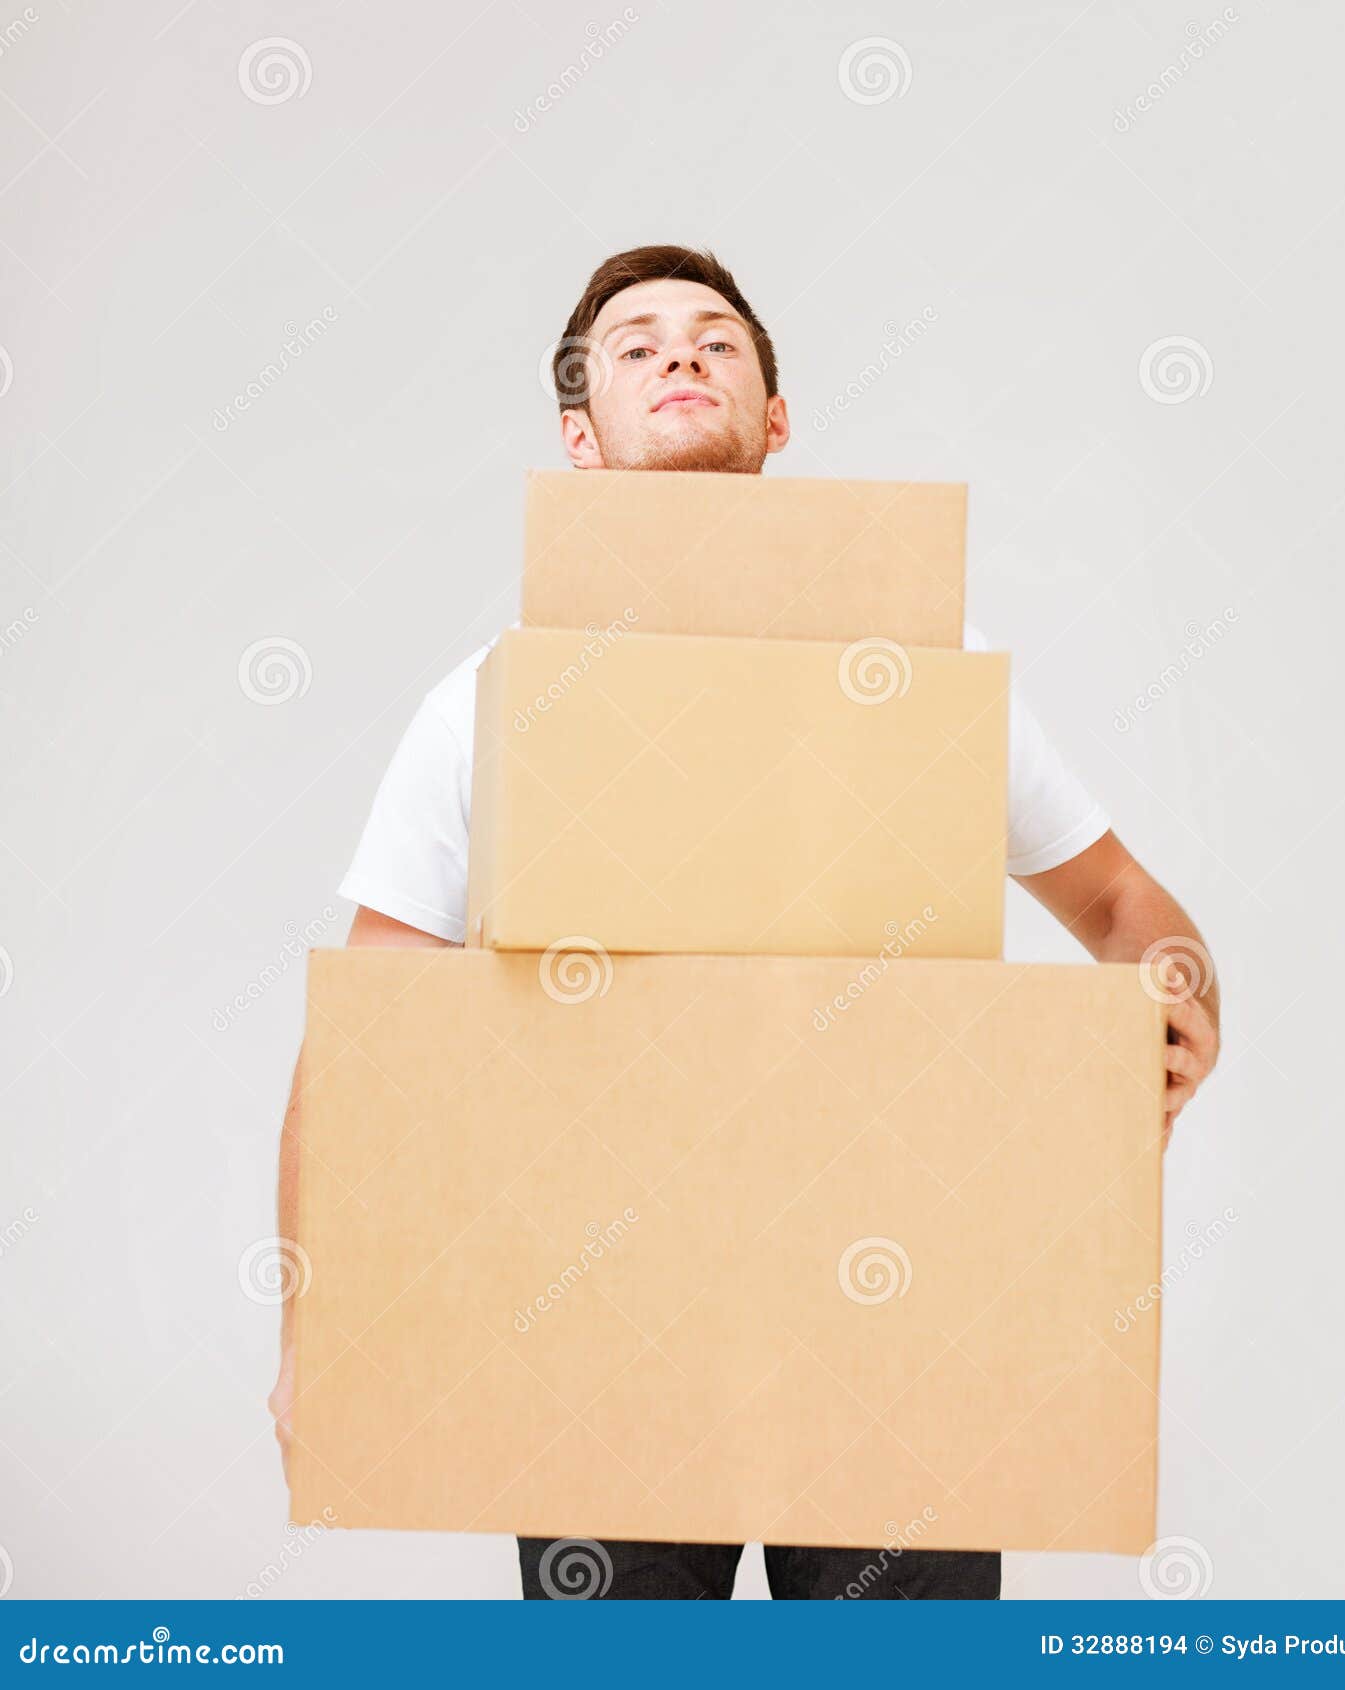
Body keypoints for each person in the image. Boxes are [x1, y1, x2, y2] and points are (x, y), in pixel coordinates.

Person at [268, 245, 1221, 1600]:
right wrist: (317, 1325)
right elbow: (367, 1044)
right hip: (604, 1332)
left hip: (902, 1324)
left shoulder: (922, 679)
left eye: (719, 342)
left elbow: (1130, 907)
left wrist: (1181, 998)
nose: (680, 356)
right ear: (578, 436)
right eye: (638, 343)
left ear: (776, 420)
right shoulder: (493, 699)